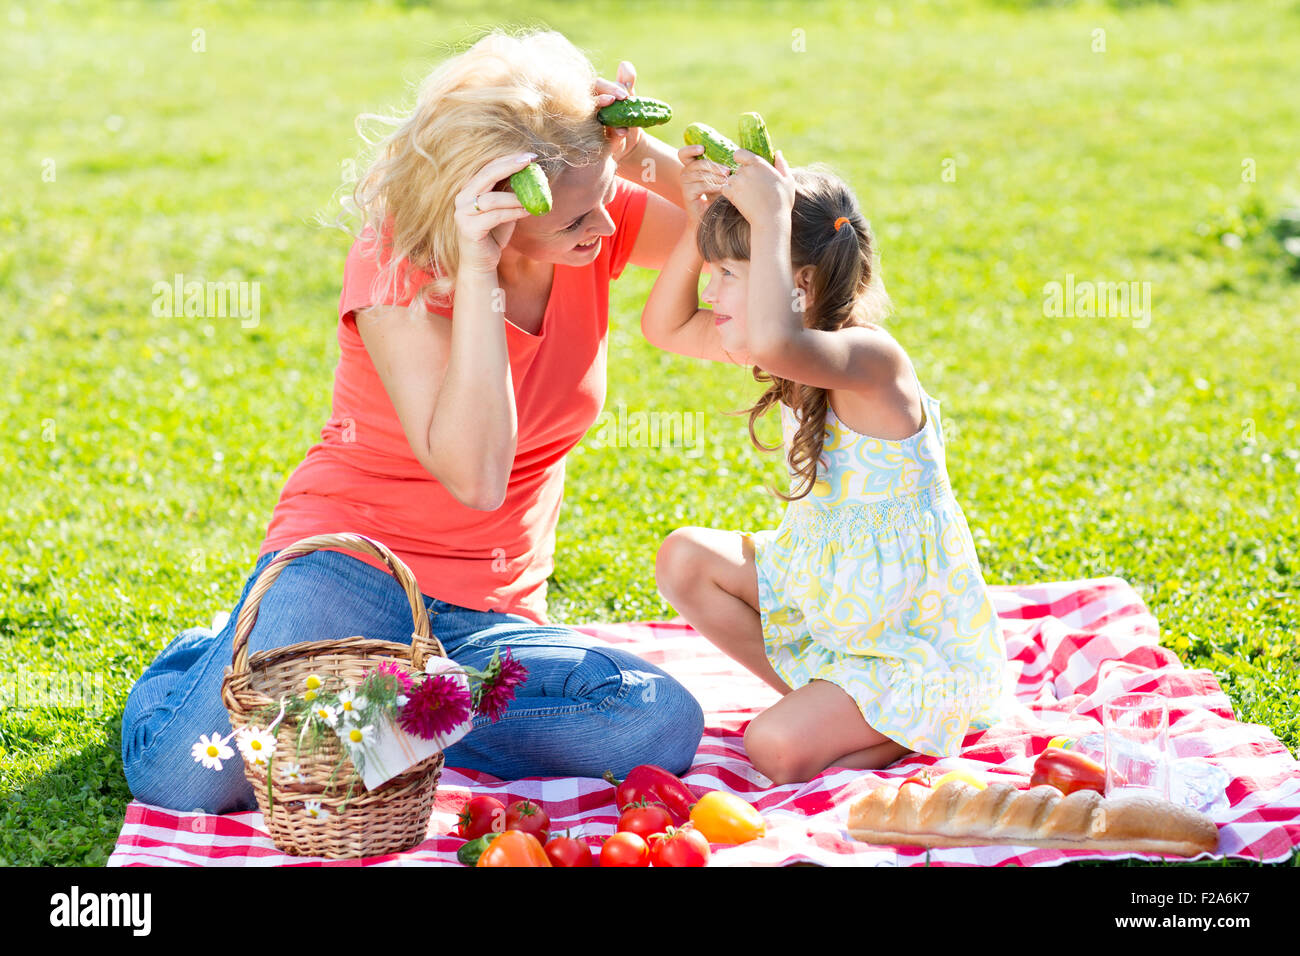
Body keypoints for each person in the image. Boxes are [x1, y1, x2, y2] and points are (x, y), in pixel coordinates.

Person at [120, 28, 704, 814]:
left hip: (488, 627)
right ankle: (208, 661)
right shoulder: (397, 261)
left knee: (649, 721)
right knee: (184, 778)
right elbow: (477, 476)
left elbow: (756, 235)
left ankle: (353, 712)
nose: (605, 230)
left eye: (605, 204)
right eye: (578, 223)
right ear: (493, 202)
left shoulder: (584, 206)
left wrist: (637, 158)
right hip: (347, 574)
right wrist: (478, 273)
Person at [647, 144, 1010, 786]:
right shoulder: (787, 347)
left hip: (903, 639)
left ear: (802, 285)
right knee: (684, 557)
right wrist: (694, 216)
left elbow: (773, 340)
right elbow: (664, 328)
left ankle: (920, 716)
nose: (712, 288)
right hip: (830, 597)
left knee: (775, 748)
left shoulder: (870, 359)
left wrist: (773, 217)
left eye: (733, 272)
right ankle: (826, 699)